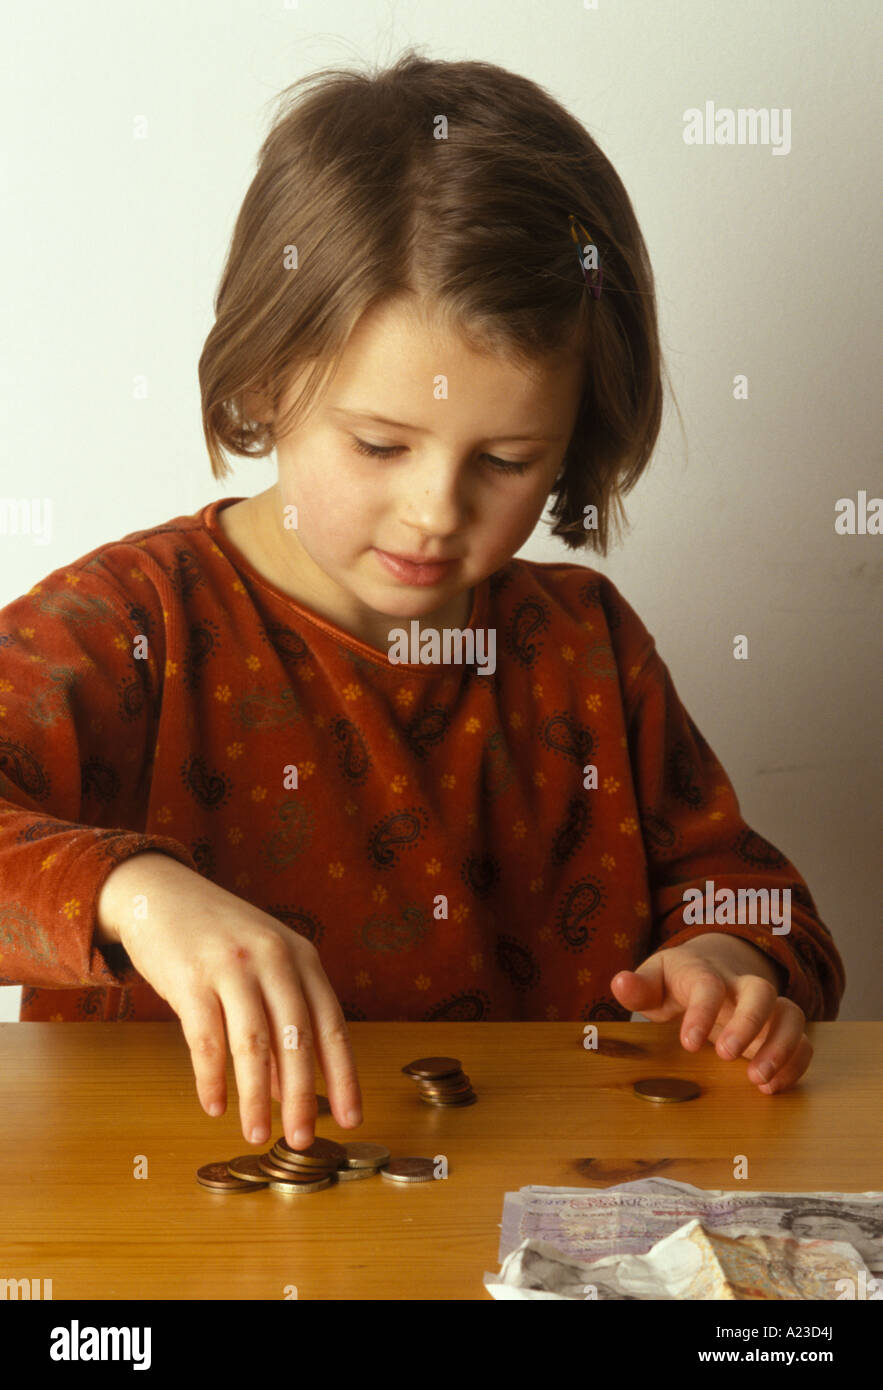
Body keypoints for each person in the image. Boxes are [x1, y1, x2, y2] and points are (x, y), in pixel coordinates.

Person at [0, 51, 845, 1155]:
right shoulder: (128, 627)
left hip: (529, 1226)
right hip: (174, 1231)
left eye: (504, 458)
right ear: (264, 381)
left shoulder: (588, 646)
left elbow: (750, 894)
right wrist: (136, 893)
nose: (434, 512)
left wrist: (726, 965)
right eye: (379, 444)